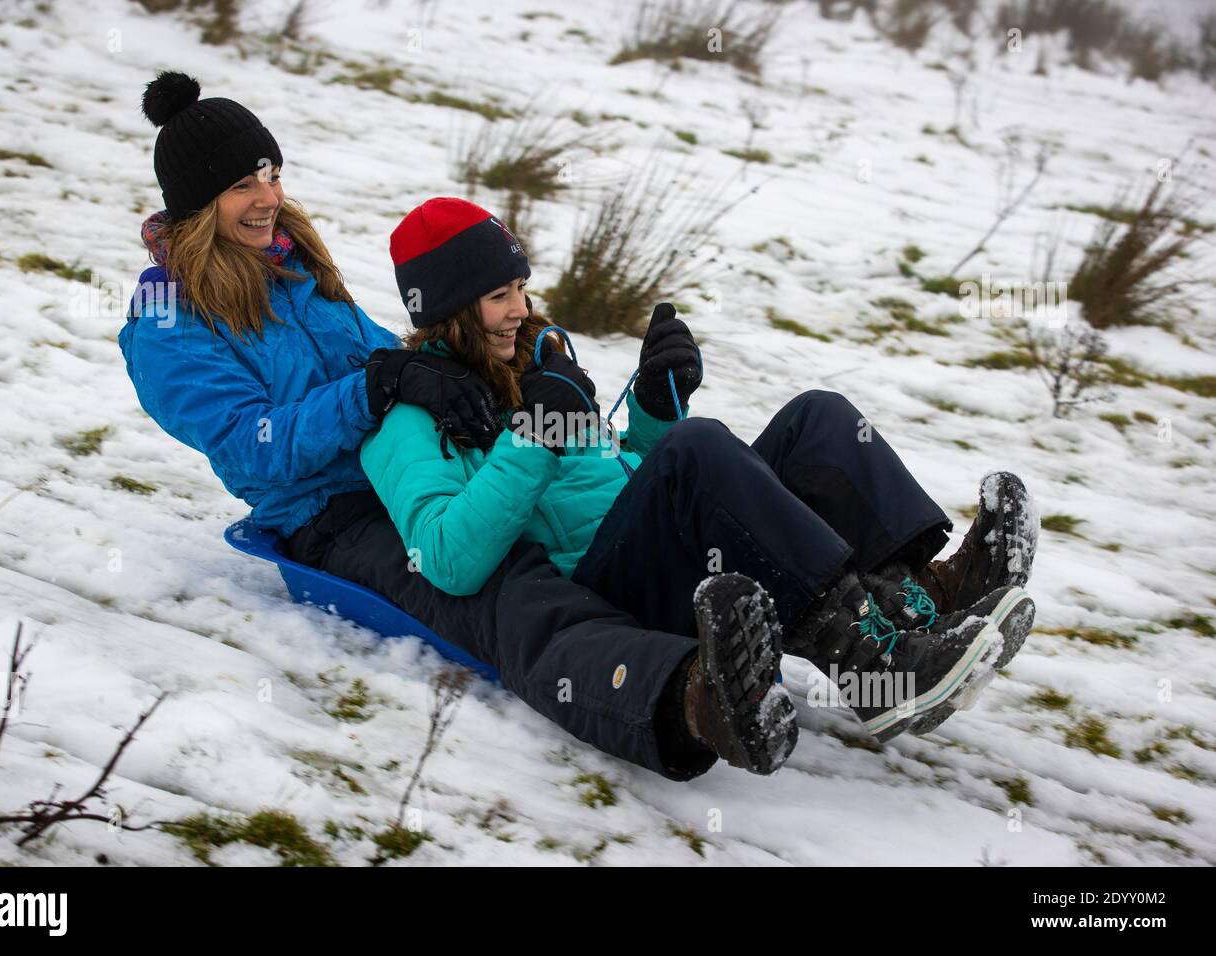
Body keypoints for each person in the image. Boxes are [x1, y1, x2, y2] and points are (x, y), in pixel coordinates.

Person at [118, 70, 754, 783]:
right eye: (242, 185)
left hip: (409, 458)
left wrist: (474, 371)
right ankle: (683, 699)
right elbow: (250, 446)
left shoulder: (293, 267)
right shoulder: (168, 324)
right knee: (500, 584)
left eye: (271, 173)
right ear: (200, 205)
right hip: (336, 513)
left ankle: (724, 610)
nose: (268, 196)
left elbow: (381, 359)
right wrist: (379, 386)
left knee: (550, 504)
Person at [357, 196, 1041, 775]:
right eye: (498, 295)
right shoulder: (407, 423)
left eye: (520, 288)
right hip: (609, 591)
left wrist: (656, 403)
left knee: (817, 419)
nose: (519, 307)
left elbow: (612, 471)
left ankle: (922, 603)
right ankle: (873, 667)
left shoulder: (534, 363)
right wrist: (532, 436)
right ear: (446, 309)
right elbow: (444, 558)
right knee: (699, 450)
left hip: (646, 542)